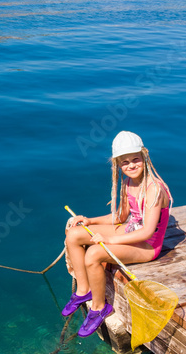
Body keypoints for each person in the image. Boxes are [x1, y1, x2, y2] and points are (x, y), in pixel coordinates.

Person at [63, 131, 172, 337]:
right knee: (75, 235)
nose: (131, 165)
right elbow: (122, 216)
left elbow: (147, 231)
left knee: (94, 253)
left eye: (135, 159)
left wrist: (110, 240)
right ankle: (83, 290)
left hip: (147, 246)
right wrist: (90, 221)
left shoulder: (154, 189)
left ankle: (98, 307)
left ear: (145, 157)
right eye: (125, 162)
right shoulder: (129, 182)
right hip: (130, 229)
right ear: (117, 164)